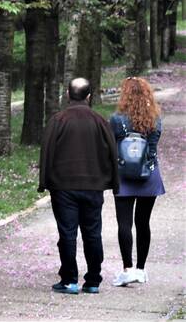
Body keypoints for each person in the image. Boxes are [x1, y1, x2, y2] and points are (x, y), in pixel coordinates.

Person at [38, 77, 120, 294]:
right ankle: (93, 280)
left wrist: (44, 181)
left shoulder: (58, 120)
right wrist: (113, 182)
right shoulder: (100, 121)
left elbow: (46, 151)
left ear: (68, 94)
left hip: (63, 186)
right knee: (93, 233)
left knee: (67, 233)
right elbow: (112, 151)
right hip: (94, 186)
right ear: (89, 96)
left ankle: (69, 280)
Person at [109, 77, 166, 287]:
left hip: (123, 176)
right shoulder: (155, 118)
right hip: (148, 175)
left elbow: (110, 145)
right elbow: (153, 144)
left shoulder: (116, 119)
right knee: (143, 223)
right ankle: (141, 270)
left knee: (124, 224)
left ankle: (127, 269)